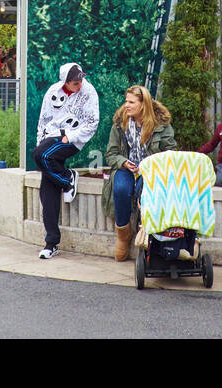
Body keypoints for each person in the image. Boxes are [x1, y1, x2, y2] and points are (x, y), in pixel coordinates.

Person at [35, 63, 101, 259]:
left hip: (72, 137)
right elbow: (44, 119)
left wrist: (70, 138)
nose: (79, 85)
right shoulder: (52, 92)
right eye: (75, 83)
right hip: (50, 137)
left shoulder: (89, 92)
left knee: (42, 156)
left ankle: (66, 177)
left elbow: (92, 123)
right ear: (65, 82)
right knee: (47, 185)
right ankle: (51, 243)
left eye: (80, 81)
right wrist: (40, 141)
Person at [101, 83, 172, 262]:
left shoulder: (161, 125)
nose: (127, 105)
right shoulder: (120, 123)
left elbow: (171, 152)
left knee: (145, 193)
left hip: (150, 170)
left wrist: (150, 165)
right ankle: (123, 236)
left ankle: (146, 233)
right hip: (127, 167)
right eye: (126, 101)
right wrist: (123, 162)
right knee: (120, 190)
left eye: (132, 102)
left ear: (143, 105)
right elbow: (111, 154)